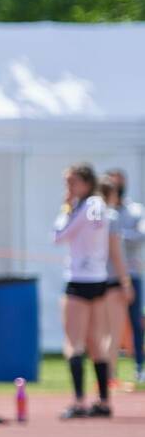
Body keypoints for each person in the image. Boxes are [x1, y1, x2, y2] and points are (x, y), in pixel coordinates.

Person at [53, 165, 129, 418]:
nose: (68, 189)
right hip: (98, 279)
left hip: (78, 279)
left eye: (71, 183)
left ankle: (78, 401)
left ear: (85, 183)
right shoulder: (101, 207)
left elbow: (59, 234)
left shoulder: (83, 207)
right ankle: (104, 401)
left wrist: (66, 206)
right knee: (96, 341)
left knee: (74, 343)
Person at [102, 170, 144, 383]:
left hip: (129, 274)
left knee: (134, 322)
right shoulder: (105, 214)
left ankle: (138, 366)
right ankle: (109, 374)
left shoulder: (134, 210)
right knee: (109, 329)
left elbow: (141, 235)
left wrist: (117, 235)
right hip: (109, 278)